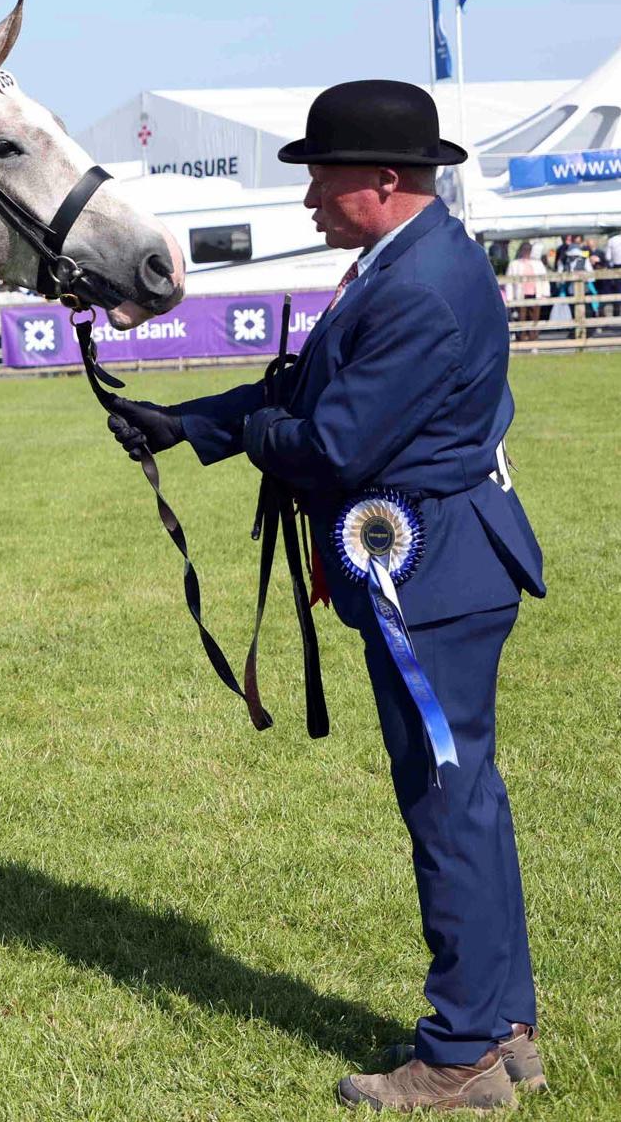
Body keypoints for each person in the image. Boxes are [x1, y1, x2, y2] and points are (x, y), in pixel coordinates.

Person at [106, 80, 547, 1113]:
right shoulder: (408, 261)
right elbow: (305, 390)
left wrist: (252, 438)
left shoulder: (416, 287)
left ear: (382, 180)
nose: (304, 192)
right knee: (465, 799)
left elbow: (329, 442)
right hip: (449, 564)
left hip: (428, 574)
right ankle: (502, 1020)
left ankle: (463, 1053)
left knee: (445, 803)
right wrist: (190, 423)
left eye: (319, 172)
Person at [503, 241, 546, 340]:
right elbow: (509, 281)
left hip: (535, 294)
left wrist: (544, 294)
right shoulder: (514, 264)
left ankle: (533, 337)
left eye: (528, 250)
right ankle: (522, 337)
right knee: (521, 317)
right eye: (525, 250)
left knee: (534, 317)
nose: (526, 252)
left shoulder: (537, 264)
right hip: (520, 294)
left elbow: (544, 279)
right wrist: (510, 297)